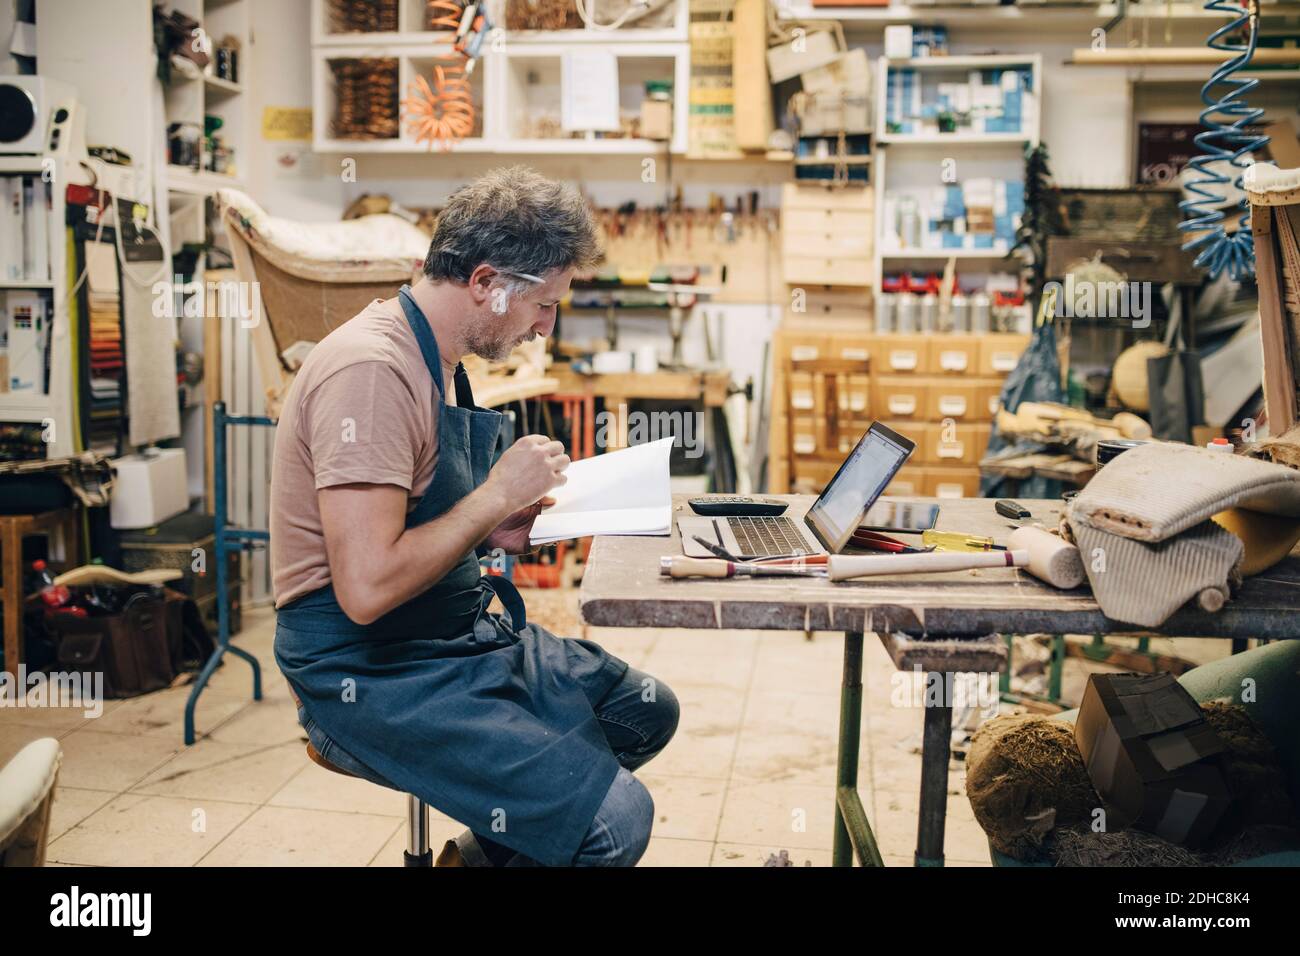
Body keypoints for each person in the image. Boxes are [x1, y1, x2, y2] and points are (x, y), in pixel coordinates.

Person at [270, 167, 678, 866]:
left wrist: (492, 530)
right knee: (614, 822)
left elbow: (407, 518)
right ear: (486, 282)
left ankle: (486, 851)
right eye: (544, 305)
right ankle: (548, 810)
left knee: (642, 708)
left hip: (448, 632)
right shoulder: (372, 373)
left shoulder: (439, 358)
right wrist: (491, 494)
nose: (547, 329)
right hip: (370, 669)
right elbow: (365, 590)